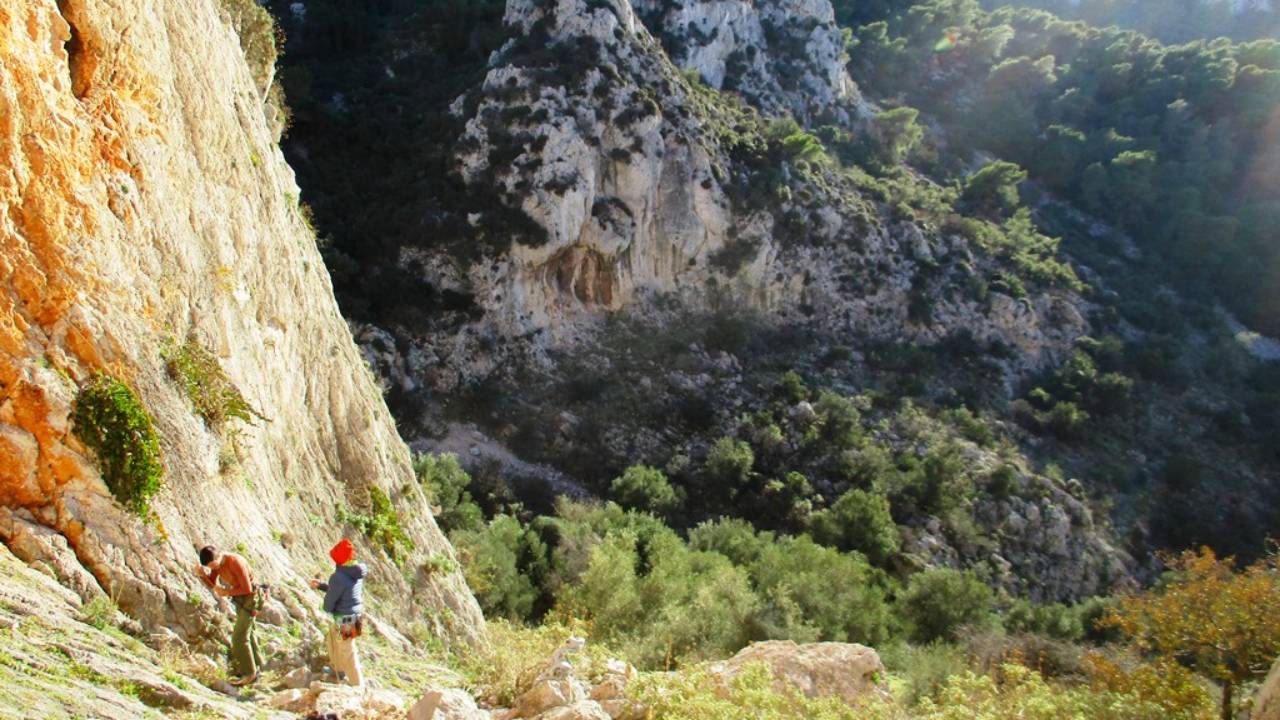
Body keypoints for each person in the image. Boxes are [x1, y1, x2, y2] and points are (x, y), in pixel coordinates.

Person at [194, 545, 263, 686]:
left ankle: (250, 674)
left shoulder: (235, 561)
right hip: (240, 599)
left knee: (239, 637)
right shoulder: (217, 565)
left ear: (218, 556)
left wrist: (226, 592)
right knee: (249, 633)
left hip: (252, 598)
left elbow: (247, 588)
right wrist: (202, 575)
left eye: (213, 565)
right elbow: (212, 584)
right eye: (210, 567)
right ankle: (259, 666)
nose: (213, 568)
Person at [311, 538, 365, 686]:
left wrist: (327, 608)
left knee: (348, 652)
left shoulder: (339, 576)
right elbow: (342, 591)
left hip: (345, 618)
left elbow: (331, 600)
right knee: (332, 639)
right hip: (354, 616)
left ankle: (358, 686)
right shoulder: (354, 571)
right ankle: (338, 672)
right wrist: (322, 586)